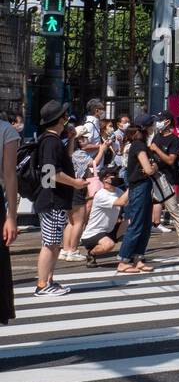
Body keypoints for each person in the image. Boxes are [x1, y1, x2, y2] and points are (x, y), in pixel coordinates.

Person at [33, 101, 86, 296]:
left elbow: (66, 159)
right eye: (65, 115)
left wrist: (71, 138)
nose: (68, 118)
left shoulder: (53, 140)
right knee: (50, 244)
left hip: (55, 199)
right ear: (60, 119)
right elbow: (51, 173)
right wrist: (75, 183)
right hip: (52, 199)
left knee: (54, 243)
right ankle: (41, 284)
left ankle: (48, 280)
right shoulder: (51, 141)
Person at [61, 122, 109, 262]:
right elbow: (93, 163)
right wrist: (102, 150)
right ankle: (73, 250)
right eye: (84, 138)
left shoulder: (68, 151)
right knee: (79, 222)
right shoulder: (78, 153)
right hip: (77, 187)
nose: (87, 140)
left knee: (71, 221)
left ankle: (65, 249)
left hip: (69, 187)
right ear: (79, 139)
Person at [117, 115, 157, 275]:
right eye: (152, 125)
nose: (154, 128)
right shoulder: (139, 145)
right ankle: (123, 260)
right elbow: (148, 169)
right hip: (139, 187)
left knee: (145, 224)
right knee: (137, 224)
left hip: (143, 187)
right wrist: (153, 168)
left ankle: (138, 259)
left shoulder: (140, 144)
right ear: (146, 128)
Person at [147, 110, 179, 252]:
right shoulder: (156, 136)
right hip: (151, 177)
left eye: (160, 120)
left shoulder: (174, 139)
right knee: (146, 207)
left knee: (174, 210)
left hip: (165, 179)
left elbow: (170, 160)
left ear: (167, 122)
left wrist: (156, 149)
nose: (158, 123)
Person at [81, 166, 129, 267]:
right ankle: (91, 254)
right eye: (112, 175)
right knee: (109, 245)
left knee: (132, 222)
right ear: (104, 179)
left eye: (115, 175)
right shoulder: (101, 194)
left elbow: (128, 203)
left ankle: (131, 253)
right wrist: (131, 187)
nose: (115, 177)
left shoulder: (118, 191)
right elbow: (121, 202)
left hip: (109, 230)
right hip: (93, 233)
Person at [1, 102, 19, 322]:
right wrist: (11, 216)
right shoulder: (6, 130)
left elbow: (9, 175)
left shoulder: (6, 130)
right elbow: (9, 175)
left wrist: (11, 216)